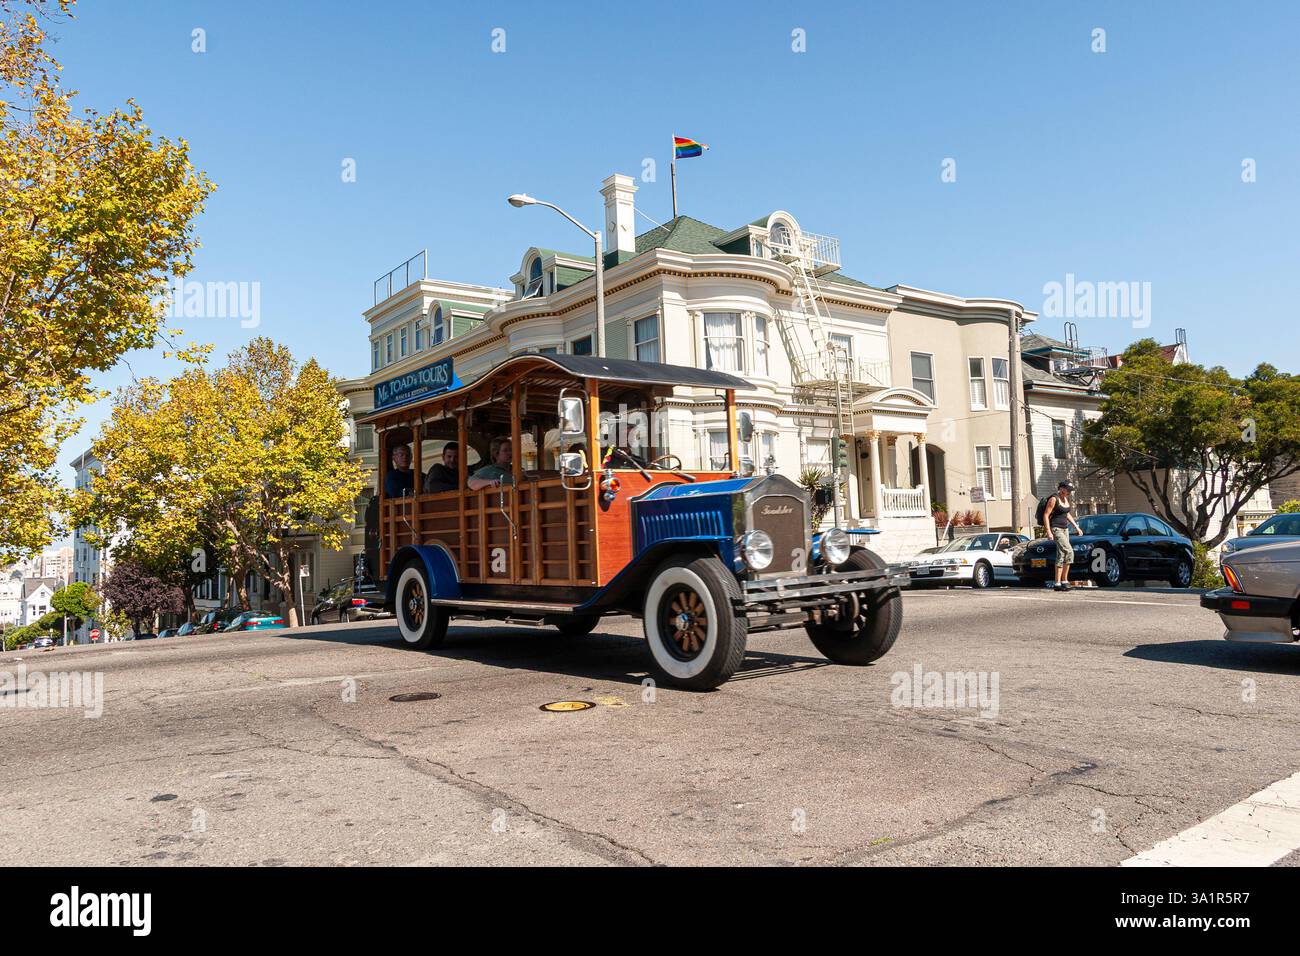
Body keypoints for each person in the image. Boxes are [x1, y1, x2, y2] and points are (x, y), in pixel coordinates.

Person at [1044, 479, 1084, 592]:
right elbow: (1046, 515)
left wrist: (1076, 527)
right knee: (1069, 551)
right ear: (1061, 489)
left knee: (1061, 555)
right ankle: (1065, 581)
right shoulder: (1053, 499)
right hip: (1056, 529)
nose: (1069, 492)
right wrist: (1048, 531)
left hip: (1065, 529)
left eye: (1070, 490)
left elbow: (1067, 514)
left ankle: (1057, 583)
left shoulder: (1065, 499)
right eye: (1068, 490)